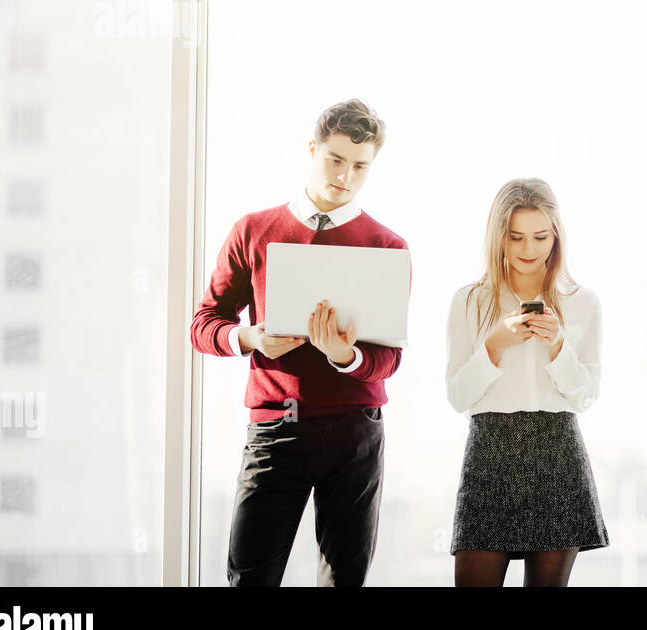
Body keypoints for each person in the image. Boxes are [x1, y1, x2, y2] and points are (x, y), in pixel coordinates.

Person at [189, 98, 408, 586]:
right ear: (312, 149)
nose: (345, 176)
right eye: (335, 160)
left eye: (359, 166)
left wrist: (345, 356)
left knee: (343, 581)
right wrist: (249, 337)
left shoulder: (386, 247)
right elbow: (203, 324)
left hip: (355, 434)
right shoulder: (253, 230)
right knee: (250, 578)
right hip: (276, 430)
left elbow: (389, 360)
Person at [445, 178, 608, 586]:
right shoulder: (470, 301)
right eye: (516, 237)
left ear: (556, 236)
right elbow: (458, 395)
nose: (529, 250)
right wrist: (495, 345)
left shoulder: (583, 301)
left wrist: (557, 344)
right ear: (498, 236)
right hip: (490, 449)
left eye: (540, 236)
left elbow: (585, 395)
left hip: (557, 451)